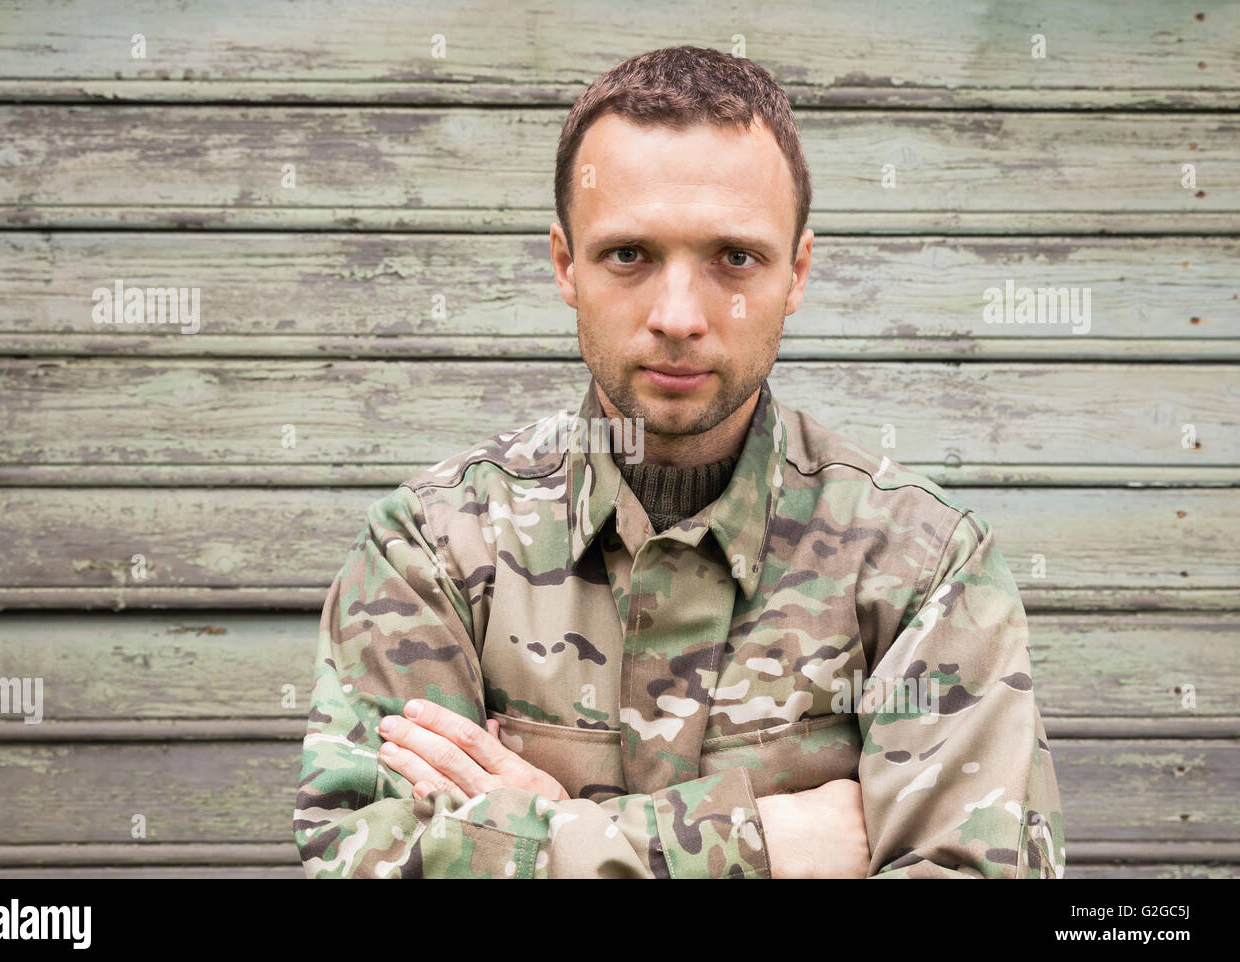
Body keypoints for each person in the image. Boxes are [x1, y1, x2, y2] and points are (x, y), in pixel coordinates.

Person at [293, 44, 1064, 879]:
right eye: (630, 254)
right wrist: (762, 844)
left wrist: (542, 835)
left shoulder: (921, 565)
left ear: (797, 271)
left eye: (735, 257)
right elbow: (361, 859)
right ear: (566, 265)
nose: (679, 315)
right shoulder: (433, 550)